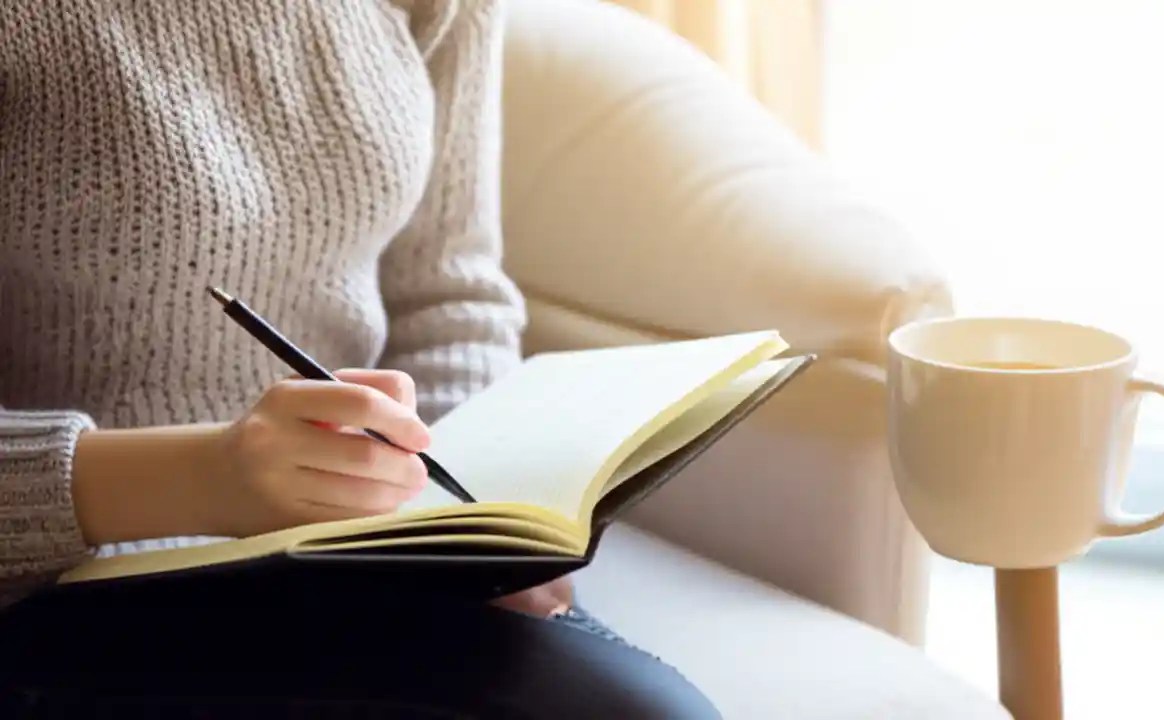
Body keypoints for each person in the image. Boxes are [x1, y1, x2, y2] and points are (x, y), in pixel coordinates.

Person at [0, 0, 718, 716]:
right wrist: (204, 477)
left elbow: (447, 289)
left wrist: (478, 529)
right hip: (53, 597)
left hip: (359, 560)